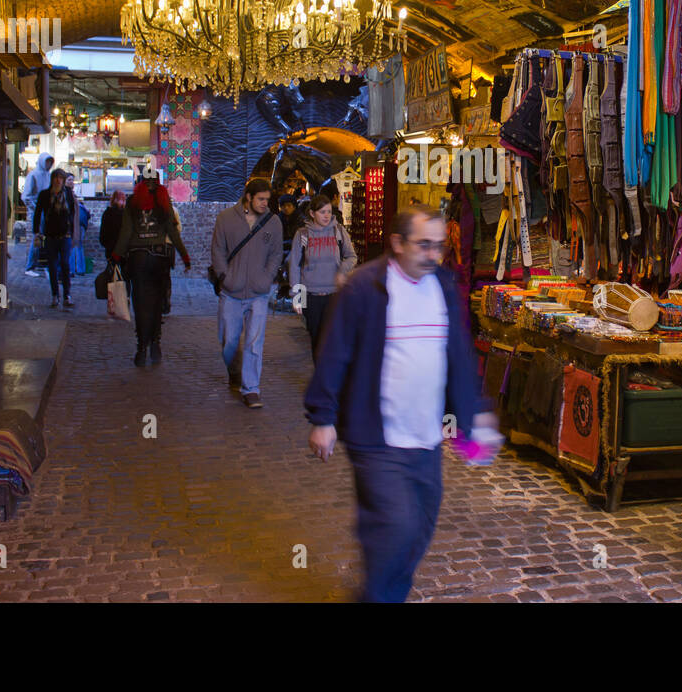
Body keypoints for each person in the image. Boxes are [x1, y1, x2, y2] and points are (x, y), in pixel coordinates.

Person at [305, 204, 498, 603]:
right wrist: (323, 416)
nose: (433, 254)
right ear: (397, 243)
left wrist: (471, 418)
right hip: (376, 439)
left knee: (420, 529)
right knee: (395, 527)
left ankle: (380, 594)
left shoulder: (443, 285)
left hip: (426, 439)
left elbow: (457, 356)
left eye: (439, 246)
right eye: (423, 245)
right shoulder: (364, 287)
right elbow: (335, 353)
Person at [211, 177, 283, 408]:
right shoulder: (225, 219)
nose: (265, 204)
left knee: (254, 342)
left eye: (267, 200)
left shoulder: (273, 222)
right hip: (231, 291)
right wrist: (225, 277)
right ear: (248, 197)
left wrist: (266, 278)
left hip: (258, 293)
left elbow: (276, 254)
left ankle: (251, 389)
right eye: (261, 199)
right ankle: (234, 372)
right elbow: (218, 251)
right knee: (229, 340)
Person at [112, 176, 191, 367]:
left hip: (137, 258)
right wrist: (184, 256)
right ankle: (155, 343)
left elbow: (126, 232)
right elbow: (172, 232)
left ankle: (141, 349)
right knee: (156, 305)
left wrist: (115, 256)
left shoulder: (132, 201)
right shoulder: (163, 199)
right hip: (159, 257)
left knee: (140, 305)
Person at [289, 194, 358, 360]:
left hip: (335, 294)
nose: (326, 215)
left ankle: (333, 376)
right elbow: (295, 266)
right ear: (312, 213)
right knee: (317, 340)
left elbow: (351, 256)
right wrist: (297, 297)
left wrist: (342, 270)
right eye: (322, 212)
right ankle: (321, 376)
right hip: (311, 296)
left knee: (335, 339)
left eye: (329, 211)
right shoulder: (302, 234)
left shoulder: (338, 231)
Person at [32, 168, 81, 309]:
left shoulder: (68, 194)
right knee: (52, 266)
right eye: (56, 177)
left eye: (61, 178)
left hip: (65, 235)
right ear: (52, 179)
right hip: (50, 235)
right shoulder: (45, 195)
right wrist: (36, 232)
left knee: (65, 265)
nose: (58, 180)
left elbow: (72, 214)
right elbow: (37, 213)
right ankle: (55, 295)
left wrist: (72, 233)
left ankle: (67, 294)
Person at [21, 152, 55, 276]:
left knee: (46, 239)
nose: (49, 164)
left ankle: (45, 265)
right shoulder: (33, 175)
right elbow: (26, 196)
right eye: (47, 161)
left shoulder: (48, 175)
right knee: (37, 238)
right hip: (39, 212)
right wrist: (35, 209)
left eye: (50, 162)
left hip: (47, 212)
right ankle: (30, 267)